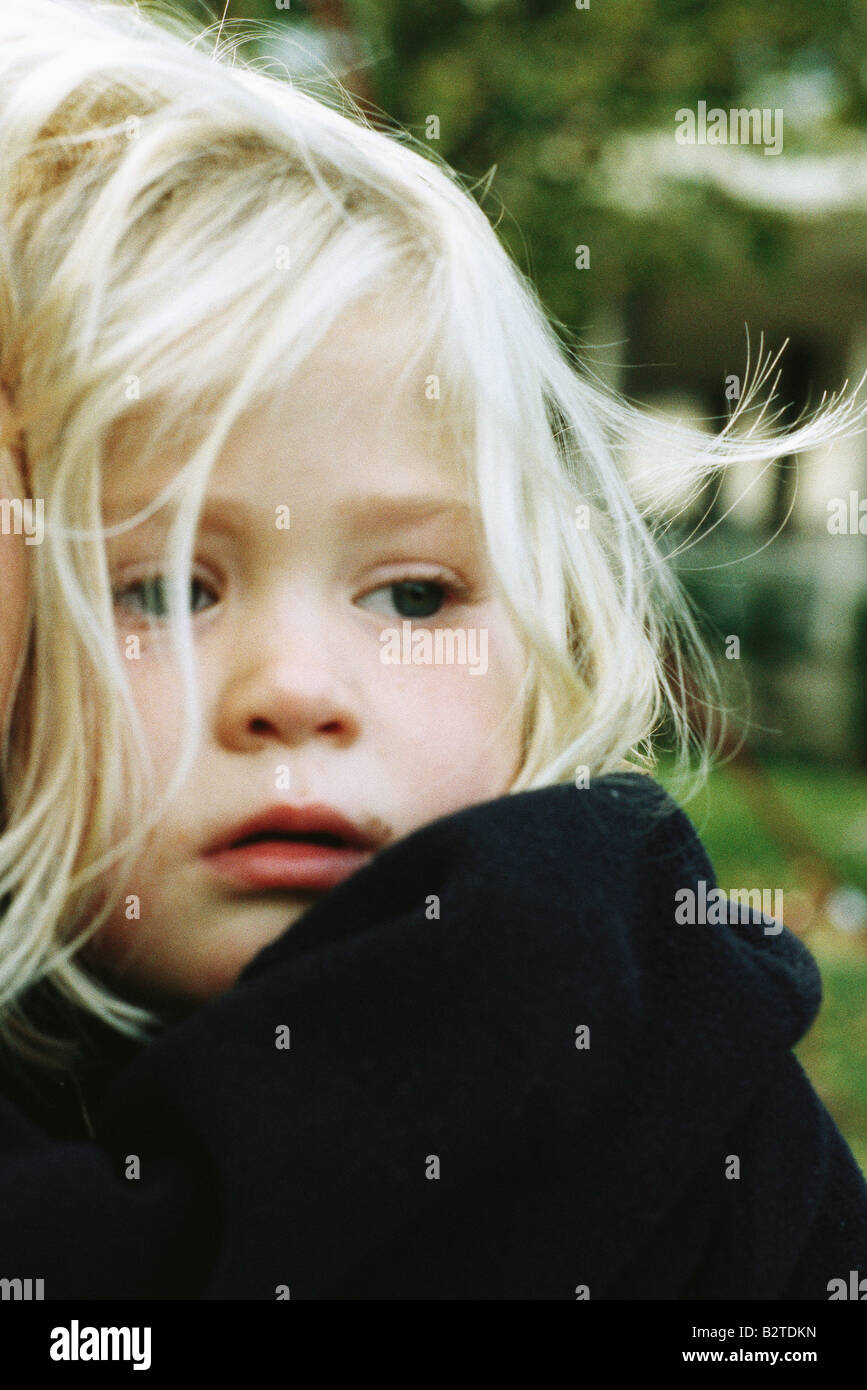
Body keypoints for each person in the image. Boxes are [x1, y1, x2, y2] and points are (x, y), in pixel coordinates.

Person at [0, 0, 864, 1300]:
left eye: (412, 597)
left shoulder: (654, 1069)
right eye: (167, 588)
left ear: (543, 640)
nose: (294, 691)